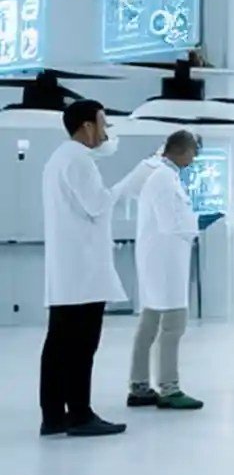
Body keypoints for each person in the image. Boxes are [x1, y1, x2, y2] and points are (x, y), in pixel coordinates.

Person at [40, 100, 152, 437]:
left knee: (59, 345)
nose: (106, 131)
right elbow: (97, 203)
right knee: (81, 346)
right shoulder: (78, 160)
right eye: (103, 123)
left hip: (69, 272)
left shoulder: (60, 158)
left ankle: (54, 416)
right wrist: (129, 184)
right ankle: (79, 415)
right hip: (83, 273)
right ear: (87, 126)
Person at [128, 130, 204, 410]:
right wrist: (198, 224)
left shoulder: (162, 176)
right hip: (166, 263)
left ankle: (139, 386)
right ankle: (169, 388)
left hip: (158, 262)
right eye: (193, 153)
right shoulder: (163, 179)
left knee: (149, 324)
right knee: (173, 326)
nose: (194, 159)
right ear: (182, 151)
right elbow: (171, 224)